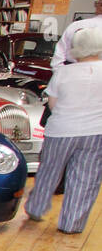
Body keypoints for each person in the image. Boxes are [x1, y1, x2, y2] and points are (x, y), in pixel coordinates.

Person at [24, 25, 102, 233]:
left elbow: (52, 104)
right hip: (95, 132)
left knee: (49, 171)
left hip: (60, 130)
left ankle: (36, 208)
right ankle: (72, 224)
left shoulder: (63, 72)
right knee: (86, 178)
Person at [51, 0, 102, 68]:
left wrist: (62, 72)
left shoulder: (75, 25)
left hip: (71, 71)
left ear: (97, 6)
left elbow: (58, 57)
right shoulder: (76, 25)